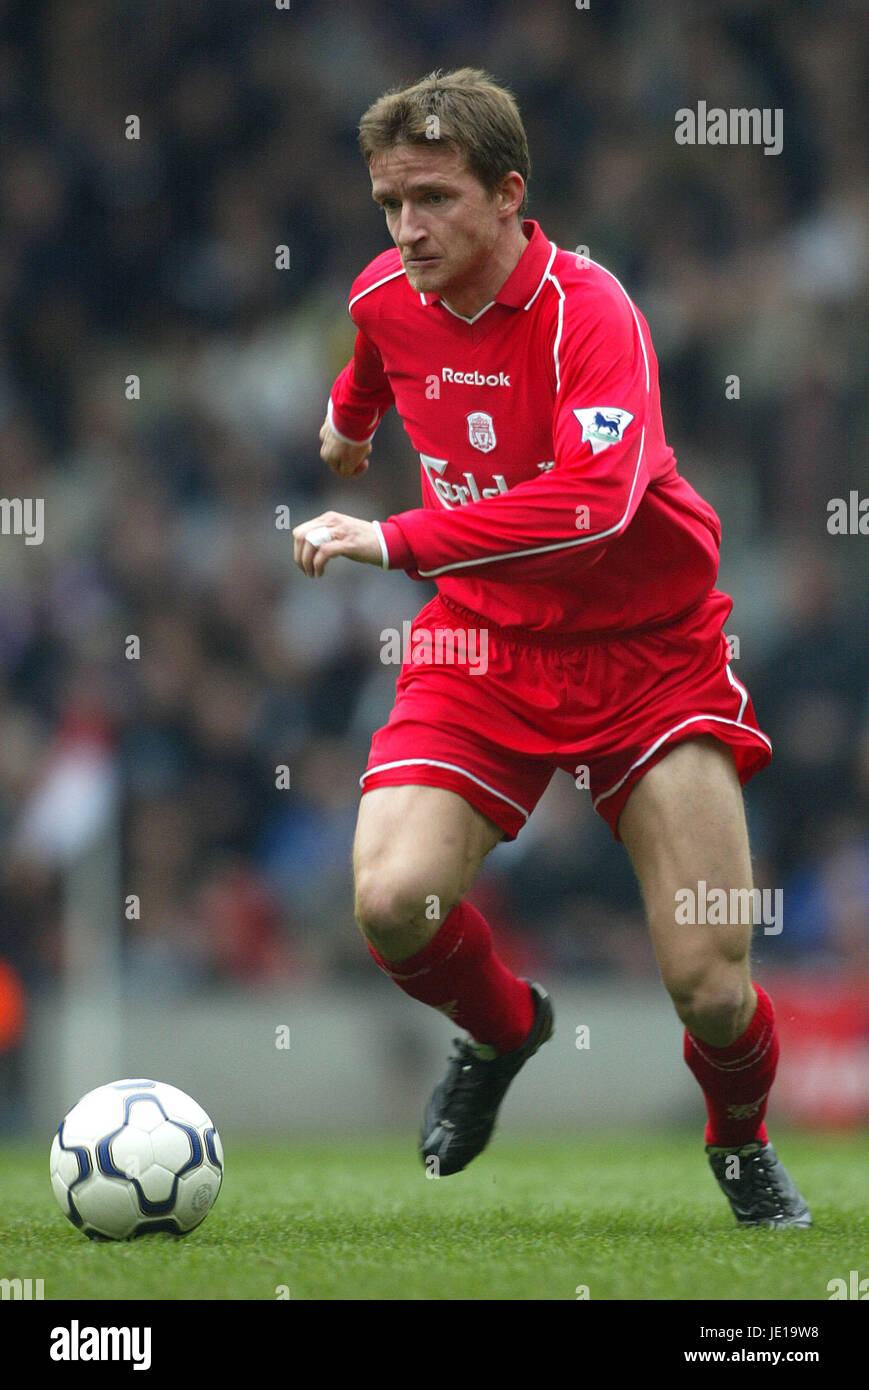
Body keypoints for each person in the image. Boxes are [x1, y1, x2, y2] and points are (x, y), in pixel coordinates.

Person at [293, 68, 810, 1227]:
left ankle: (737, 1141)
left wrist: (394, 535)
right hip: (482, 646)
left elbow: (591, 506)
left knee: (708, 984)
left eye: (431, 198)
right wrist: (349, 419)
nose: (406, 228)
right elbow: (373, 357)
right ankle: (503, 1026)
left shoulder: (594, 313)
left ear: (507, 193)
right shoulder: (382, 292)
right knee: (392, 902)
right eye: (389, 203)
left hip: (648, 654)